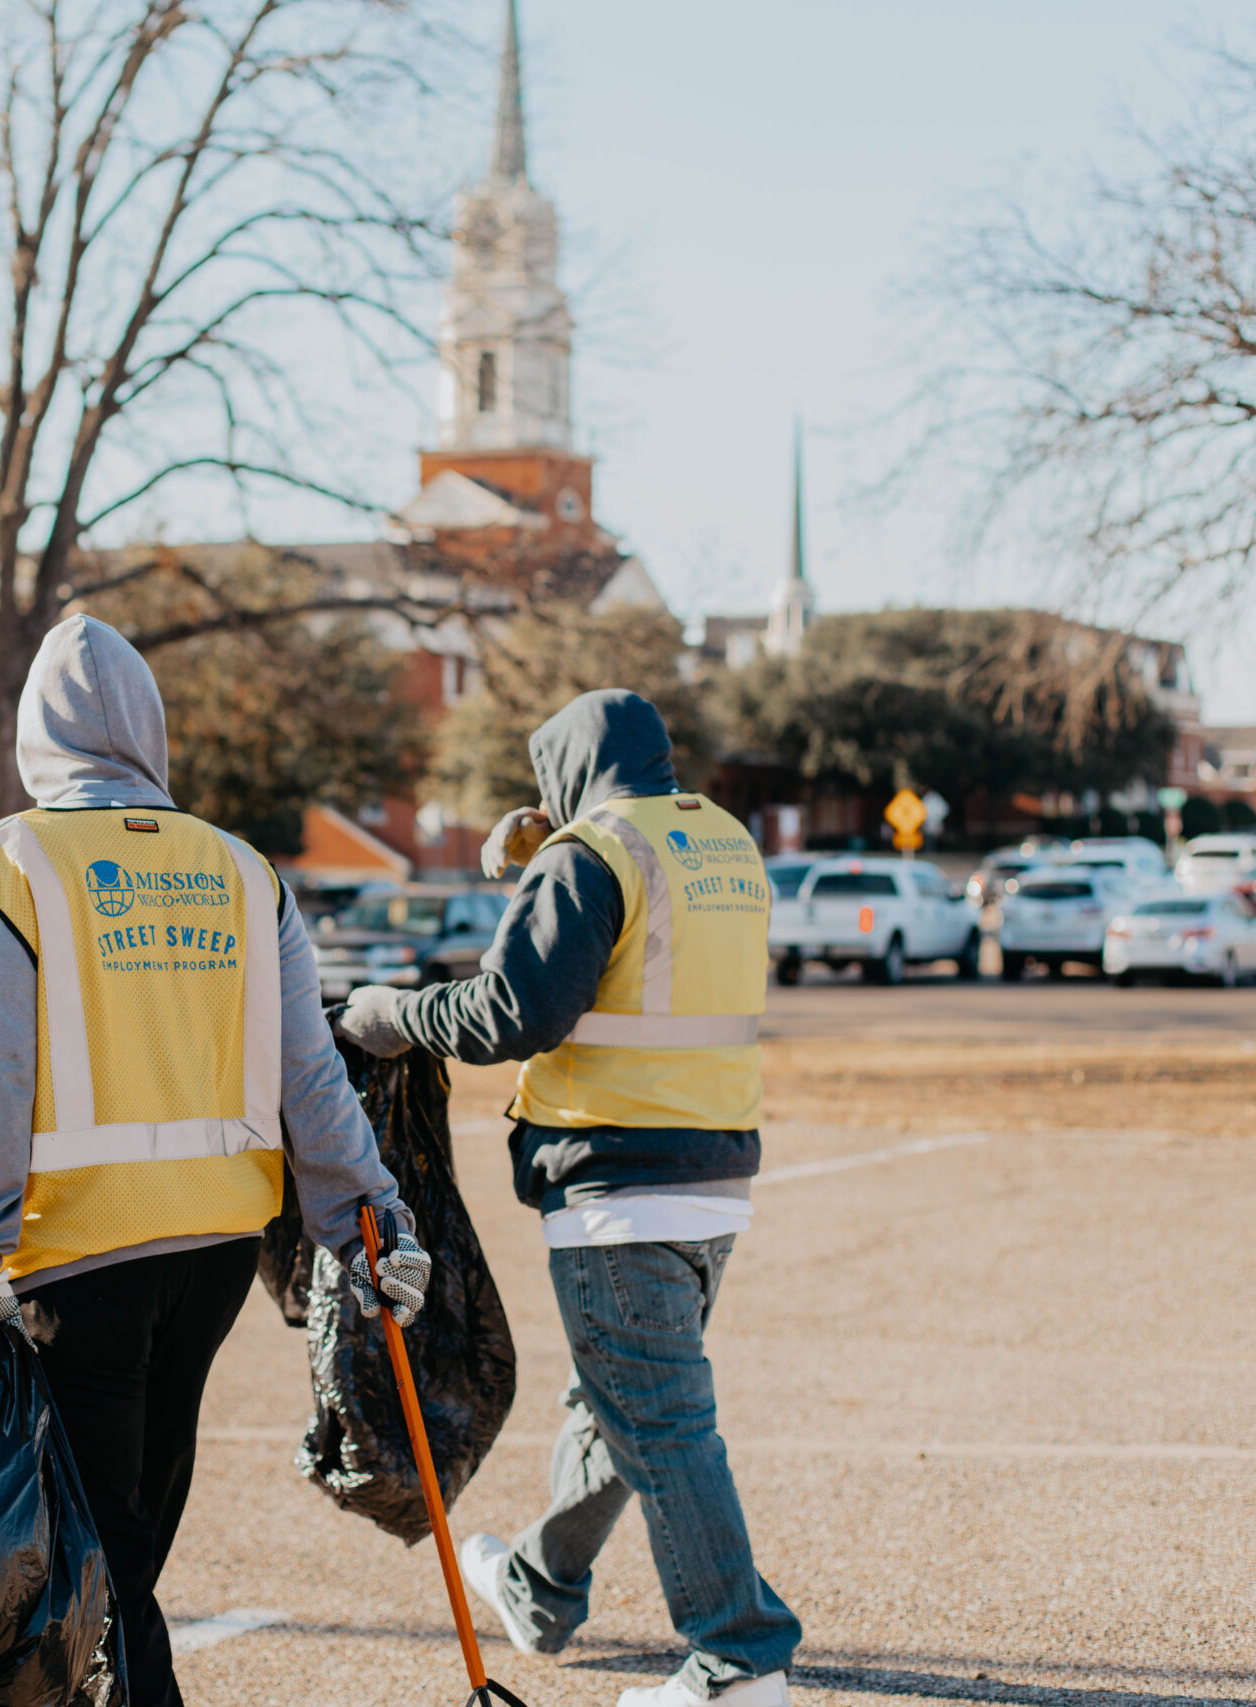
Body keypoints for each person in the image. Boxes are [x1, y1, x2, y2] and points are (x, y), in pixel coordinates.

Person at [0, 614, 431, 1707]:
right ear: (147, 729)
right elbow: (311, 1075)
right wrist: (367, 1219)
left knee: (99, 1570)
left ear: (35, 738)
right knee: (125, 1548)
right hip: (211, 1257)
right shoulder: (243, 872)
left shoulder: (13, 867)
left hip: (76, 1261)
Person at [337, 689, 801, 1707]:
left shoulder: (589, 858)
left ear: (564, 775)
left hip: (616, 1182)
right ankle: (541, 1586)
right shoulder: (718, 840)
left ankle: (739, 1657)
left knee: (661, 1421)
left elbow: (514, 1010)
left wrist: (390, 1015)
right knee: (618, 1402)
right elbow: (643, 932)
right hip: (714, 1172)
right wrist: (552, 850)